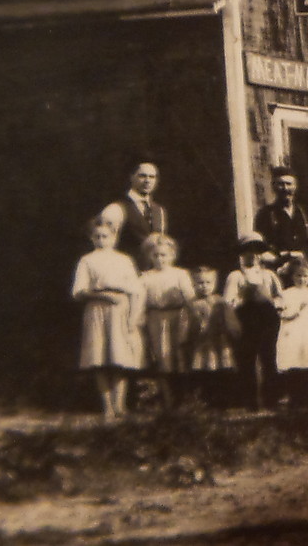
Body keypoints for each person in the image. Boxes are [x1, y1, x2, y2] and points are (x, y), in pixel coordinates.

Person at [72, 215, 144, 422]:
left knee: (120, 358)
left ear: (114, 238)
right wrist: (100, 295)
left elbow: (136, 290)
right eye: (97, 236)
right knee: (100, 358)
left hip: (121, 309)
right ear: (91, 238)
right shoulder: (87, 260)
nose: (101, 240)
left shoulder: (124, 260)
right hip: (97, 309)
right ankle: (107, 407)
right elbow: (78, 291)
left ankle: (120, 404)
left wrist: (133, 317)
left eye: (106, 236)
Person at [224, 233, 283, 410]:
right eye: (248, 251)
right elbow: (228, 301)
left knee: (269, 358)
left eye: (256, 251)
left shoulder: (269, 275)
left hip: (267, 319)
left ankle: (271, 400)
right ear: (241, 254)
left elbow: (280, 297)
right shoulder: (236, 276)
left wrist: (275, 305)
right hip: (247, 319)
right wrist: (241, 301)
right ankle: (251, 402)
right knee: (247, 360)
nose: (252, 255)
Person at [138, 233, 194, 411]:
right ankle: (167, 401)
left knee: (181, 356)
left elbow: (190, 297)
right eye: (155, 255)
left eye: (164, 255)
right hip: (156, 318)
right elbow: (140, 301)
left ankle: (185, 399)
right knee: (162, 358)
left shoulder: (180, 274)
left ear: (172, 255)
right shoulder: (145, 277)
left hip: (178, 316)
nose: (160, 259)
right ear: (149, 256)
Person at [254, 166, 308, 285]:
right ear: (273, 187)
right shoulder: (265, 215)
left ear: (295, 186)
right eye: (280, 184)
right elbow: (260, 250)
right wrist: (283, 258)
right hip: (279, 277)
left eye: (289, 184)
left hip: (306, 276)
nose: (285, 189)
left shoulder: (306, 213)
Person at [184, 266, 239, 409]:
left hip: (219, 341)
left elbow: (230, 321)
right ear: (194, 284)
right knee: (204, 369)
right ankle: (206, 398)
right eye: (200, 283)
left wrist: (232, 332)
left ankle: (222, 399)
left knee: (221, 369)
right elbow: (186, 323)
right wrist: (186, 337)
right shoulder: (191, 304)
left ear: (214, 283)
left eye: (208, 283)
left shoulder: (220, 301)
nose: (204, 287)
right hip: (201, 342)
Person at [275, 259, 308, 409]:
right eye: (298, 276)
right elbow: (283, 314)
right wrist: (297, 310)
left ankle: (306, 397)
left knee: (307, 365)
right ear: (292, 277)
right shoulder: (287, 293)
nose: (302, 279)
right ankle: (294, 398)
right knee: (294, 366)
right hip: (293, 333)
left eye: (305, 276)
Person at [101, 160, 166, 264]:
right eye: (142, 176)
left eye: (152, 177)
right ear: (132, 177)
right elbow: (104, 247)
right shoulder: (116, 208)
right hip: (124, 271)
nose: (147, 181)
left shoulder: (159, 210)